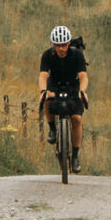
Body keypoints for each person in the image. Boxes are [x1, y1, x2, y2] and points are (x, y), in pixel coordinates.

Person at [37, 25, 89, 174]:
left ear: (69, 43)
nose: (61, 48)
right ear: (53, 45)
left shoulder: (77, 55)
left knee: (77, 119)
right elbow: (43, 75)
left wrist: (82, 91)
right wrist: (43, 90)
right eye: (58, 45)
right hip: (55, 84)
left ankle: (75, 156)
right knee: (47, 98)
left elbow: (83, 76)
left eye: (64, 44)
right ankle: (52, 128)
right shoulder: (47, 55)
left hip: (73, 86)